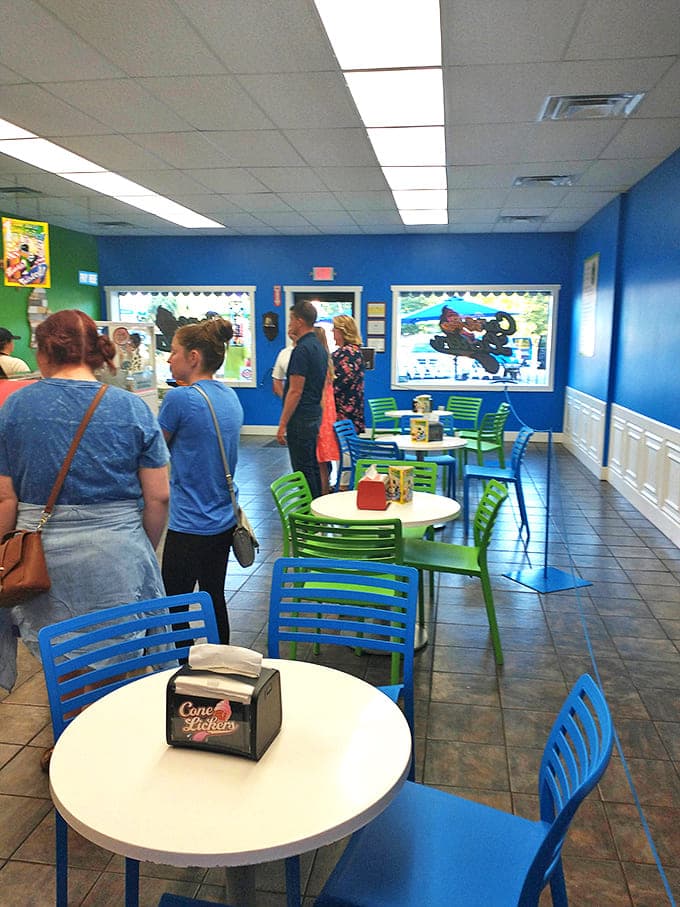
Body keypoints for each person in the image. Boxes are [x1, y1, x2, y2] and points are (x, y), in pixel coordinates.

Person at [0, 309, 170, 698]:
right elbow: (158, 495)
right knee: (118, 653)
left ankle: (69, 732)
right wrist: (137, 541)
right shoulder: (131, 408)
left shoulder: (15, 408)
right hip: (116, 554)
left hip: (39, 558)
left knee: (60, 654)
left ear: (44, 351)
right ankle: (107, 735)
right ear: (94, 352)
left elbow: (5, 498)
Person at [158, 318, 244, 644]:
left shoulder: (180, 400)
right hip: (222, 520)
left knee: (176, 604)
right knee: (213, 597)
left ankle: (181, 670)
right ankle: (220, 668)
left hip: (189, 524)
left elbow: (153, 450)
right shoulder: (229, 396)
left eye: (174, 351)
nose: (169, 358)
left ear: (193, 357)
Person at [276, 301, 327, 498]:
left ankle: (307, 515)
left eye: (290, 320)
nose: (289, 324)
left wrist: (282, 424)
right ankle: (315, 508)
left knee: (302, 469)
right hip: (314, 413)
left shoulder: (301, 350)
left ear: (299, 321)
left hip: (301, 418)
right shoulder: (319, 348)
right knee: (312, 465)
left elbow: (295, 391)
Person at [314, 327, 340, 495]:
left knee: (320, 462)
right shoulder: (328, 362)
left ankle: (321, 495)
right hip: (331, 414)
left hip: (321, 415)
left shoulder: (317, 364)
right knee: (324, 460)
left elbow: (321, 395)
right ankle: (325, 491)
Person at [332, 315, 365, 433]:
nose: (332, 331)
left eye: (334, 328)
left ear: (342, 331)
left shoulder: (346, 353)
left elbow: (340, 382)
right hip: (353, 407)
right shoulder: (356, 351)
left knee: (343, 447)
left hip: (343, 409)